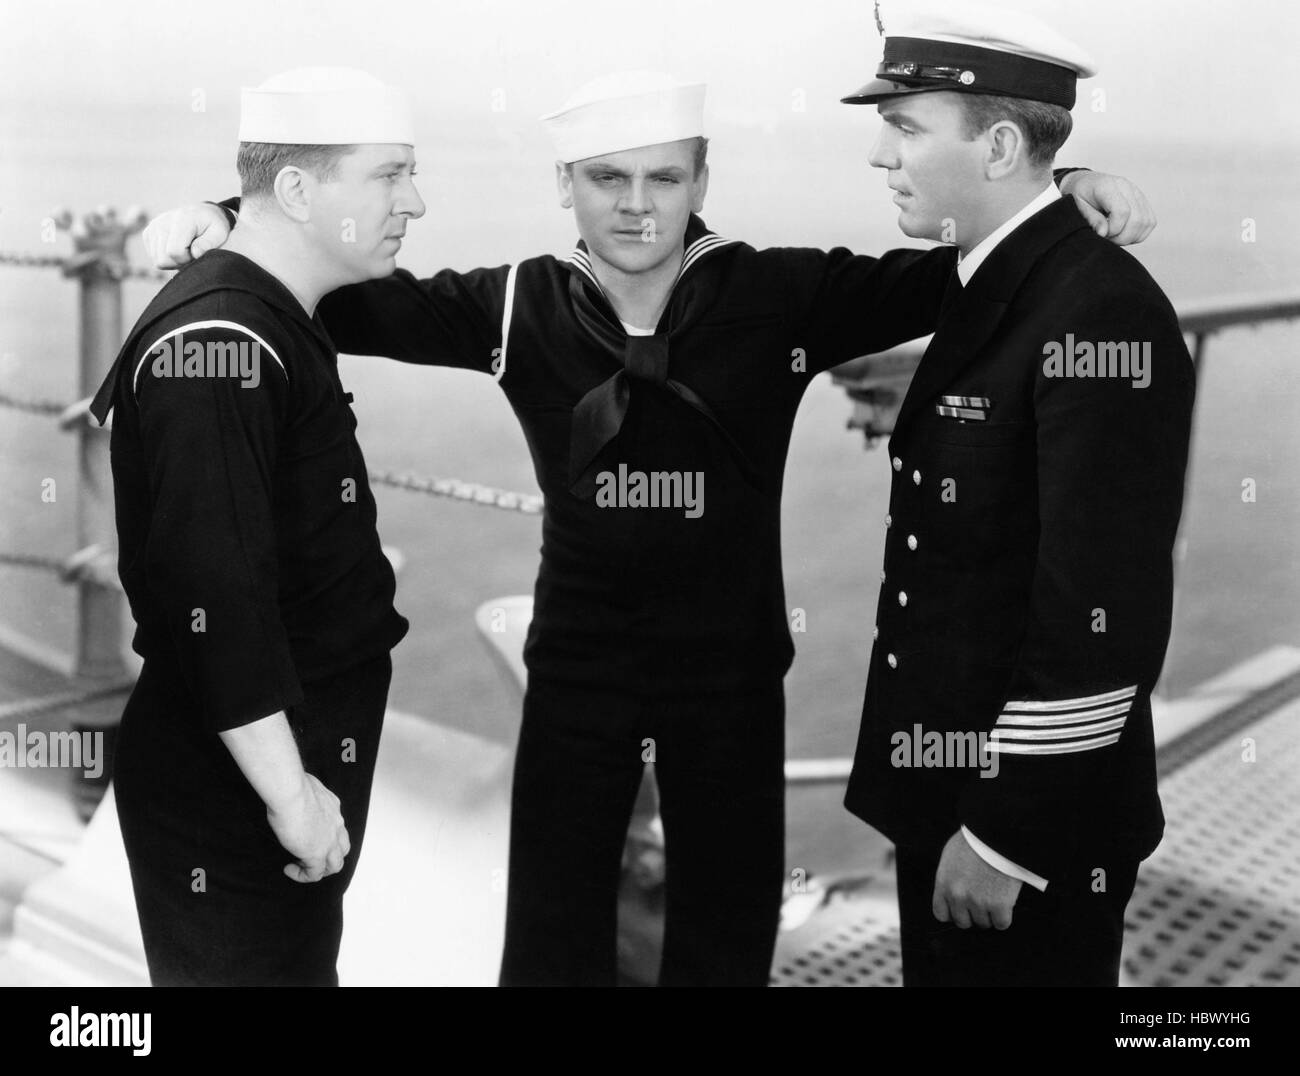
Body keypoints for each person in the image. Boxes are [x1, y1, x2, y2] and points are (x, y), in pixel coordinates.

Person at [142, 70, 1152, 986]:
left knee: (726, 925)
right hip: (579, 669)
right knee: (549, 929)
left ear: (700, 176)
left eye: (664, 179)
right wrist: (228, 213)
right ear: (565, 186)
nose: (635, 206)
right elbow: (335, 277)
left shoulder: (779, 293)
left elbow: (976, 255)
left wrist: (1069, 181)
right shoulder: (516, 306)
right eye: (606, 179)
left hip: (732, 673)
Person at [839, 3, 1195, 987]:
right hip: (947, 794)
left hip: (1023, 829)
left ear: (997, 144)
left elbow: (1104, 611)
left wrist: (1005, 835)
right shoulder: (997, 272)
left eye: (905, 126)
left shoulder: (1100, 311)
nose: (880, 155)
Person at [87, 67, 424, 985]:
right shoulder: (222, 346)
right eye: (390, 175)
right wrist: (291, 797)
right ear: (302, 191)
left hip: (275, 764)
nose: (416, 202)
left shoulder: (272, 312)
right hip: (238, 791)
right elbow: (215, 599)